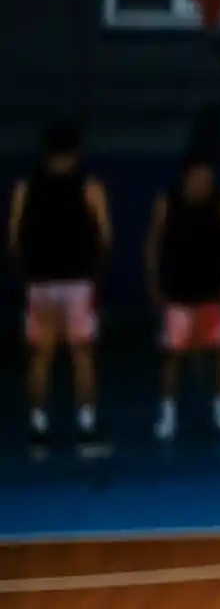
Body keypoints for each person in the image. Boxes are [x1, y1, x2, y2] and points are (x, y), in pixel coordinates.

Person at [8, 120, 113, 459]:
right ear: (76, 152)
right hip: (77, 283)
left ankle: (38, 430)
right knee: (82, 355)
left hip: (40, 284)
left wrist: (31, 273)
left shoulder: (26, 187)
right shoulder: (89, 186)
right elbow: (104, 235)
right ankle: (86, 428)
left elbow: (14, 238)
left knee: (41, 357)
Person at [145, 149, 220, 440]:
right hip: (177, 293)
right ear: (186, 176)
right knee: (172, 356)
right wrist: (153, 281)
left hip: (214, 293)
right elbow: (153, 243)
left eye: (207, 176)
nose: (202, 182)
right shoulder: (168, 201)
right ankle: (168, 414)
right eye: (197, 176)